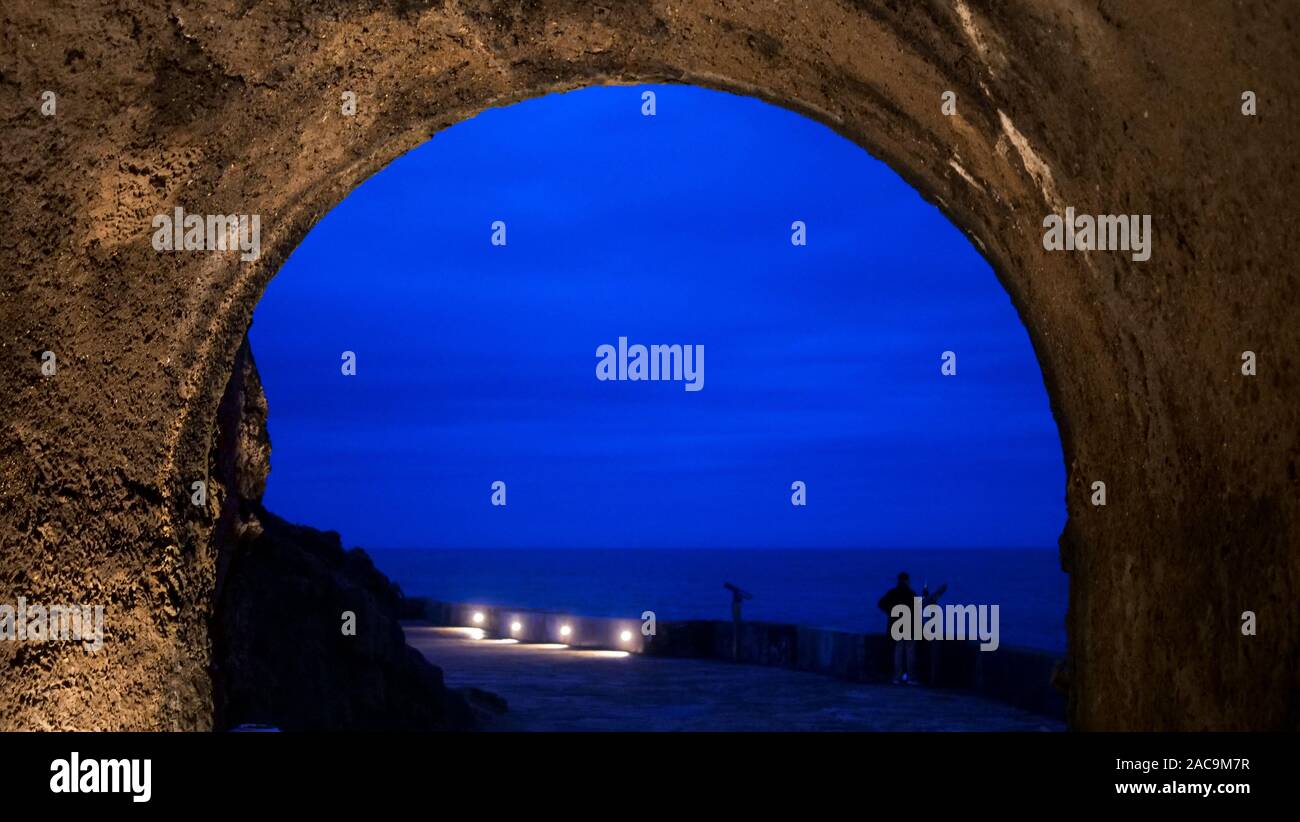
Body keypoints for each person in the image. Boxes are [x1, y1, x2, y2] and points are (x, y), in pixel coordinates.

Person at [877, 571, 917, 684]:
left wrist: (891, 613)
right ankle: (911, 677)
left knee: (898, 651)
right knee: (910, 652)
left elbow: (881, 604)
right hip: (909, 626)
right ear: (907, 581)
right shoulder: (911, 593)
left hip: (896, 626)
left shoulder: (892, 593)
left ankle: (897, 677)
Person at [920, 581, 948, 685]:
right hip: (932, 633)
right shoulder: (928, 601)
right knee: (933, 658)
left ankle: (931, 679)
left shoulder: (923, 603)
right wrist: (942, 588)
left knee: (929, 658)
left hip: (926, 632)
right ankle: (933, 680)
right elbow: (936, 594)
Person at [724, 582, 753, 661]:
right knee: (736, 616)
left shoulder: (737, 595)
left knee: (737, 616)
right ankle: (737, 621)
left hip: (736, 605)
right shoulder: (737, 595)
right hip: (736, 605)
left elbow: (747, 597)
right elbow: (747, 597)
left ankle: (737, 621)